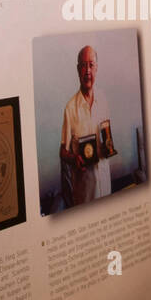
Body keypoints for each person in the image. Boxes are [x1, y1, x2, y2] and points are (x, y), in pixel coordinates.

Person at [59, 46, 113, 208]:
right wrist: (73, 159)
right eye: (83, 65)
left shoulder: (103, 99)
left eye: (91, 65)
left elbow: (107, 137)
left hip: (106, 187)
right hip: (85, 195)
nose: (87, 70)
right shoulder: (70, 108)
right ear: (78, 70)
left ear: (96, 68)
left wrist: (108, 147)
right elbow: (62, 152)